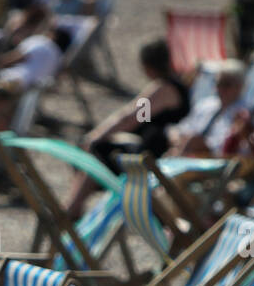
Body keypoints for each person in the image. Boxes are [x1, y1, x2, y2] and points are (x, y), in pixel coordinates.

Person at [62, 39, 190, 217]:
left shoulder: (163, 89)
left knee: (96, 150)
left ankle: (73, 208)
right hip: (156, 153)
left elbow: (131, 117)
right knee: (98, 151)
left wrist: (96, 136)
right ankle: (76, 207)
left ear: (147, 66)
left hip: (152, 156)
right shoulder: (178, 86)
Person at [168, 59, 247, 158]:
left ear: (240, 87)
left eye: (226, 84)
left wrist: (200, 144)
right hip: (186, 152)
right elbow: (182, 127)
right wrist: (177, 136)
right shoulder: (206, 105)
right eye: (218, 83)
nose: (220, 88)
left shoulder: (243, 114)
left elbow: (227, 148)